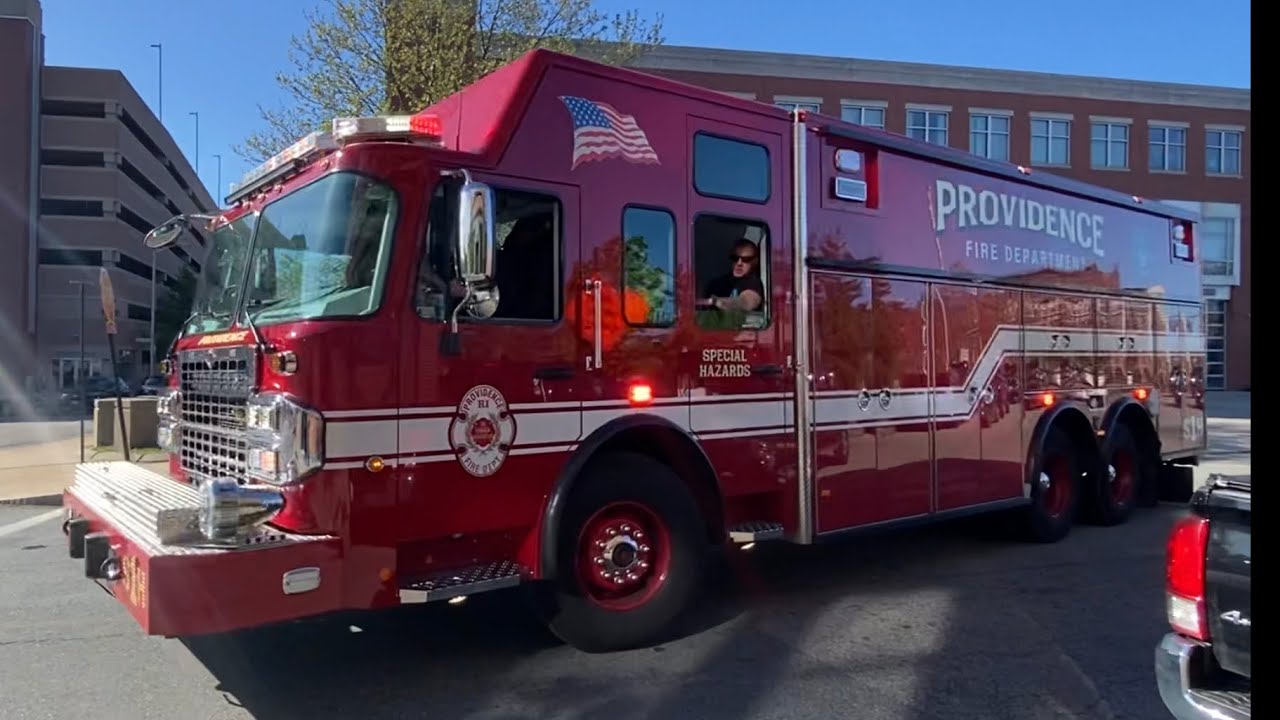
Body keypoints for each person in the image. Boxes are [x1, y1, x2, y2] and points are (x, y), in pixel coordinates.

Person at [700, 238, 764, 313]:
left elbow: (747, 302)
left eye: (746, 259)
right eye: (735, 258)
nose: (739, 263)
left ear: (755, 262)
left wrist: (719, 302)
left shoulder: (753, 282)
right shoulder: (716, 284)